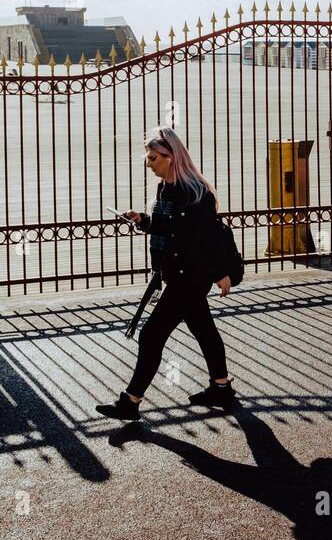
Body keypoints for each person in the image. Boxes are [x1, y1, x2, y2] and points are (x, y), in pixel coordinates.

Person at [95, 126, 236, 421]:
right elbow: (171, 228)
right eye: (148, 158)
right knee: (203, 329)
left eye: (154, 158)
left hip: (191, 275)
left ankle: (130, 402)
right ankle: (221, 388)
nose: (149, 163)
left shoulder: (195, 193)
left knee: (150, 336)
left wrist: (221, 273)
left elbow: (208, 237)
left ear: (171, 157)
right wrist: (143, 220)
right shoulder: (166, 189)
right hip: (176, 272)